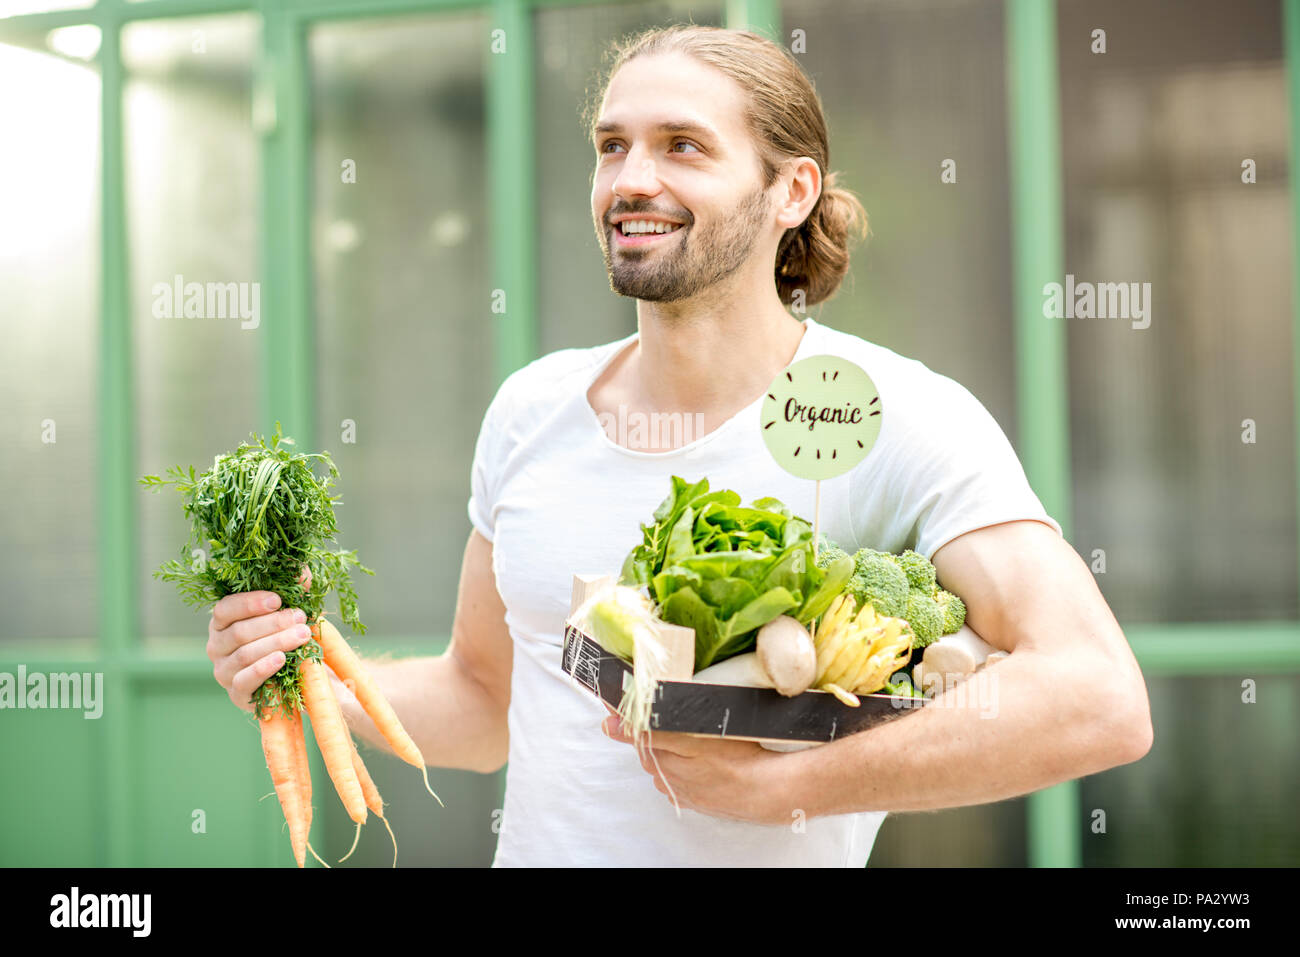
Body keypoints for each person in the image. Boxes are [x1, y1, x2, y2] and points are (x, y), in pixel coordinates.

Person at [205, 24, 1152, 866]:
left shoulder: (884, 411)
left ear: (792, 190)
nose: (631, 180)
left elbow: (1097, 697)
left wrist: (783, 789)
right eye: (611, 145)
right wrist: (301, 674)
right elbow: (484, 698)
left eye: (682, 146)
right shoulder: (532, 409)